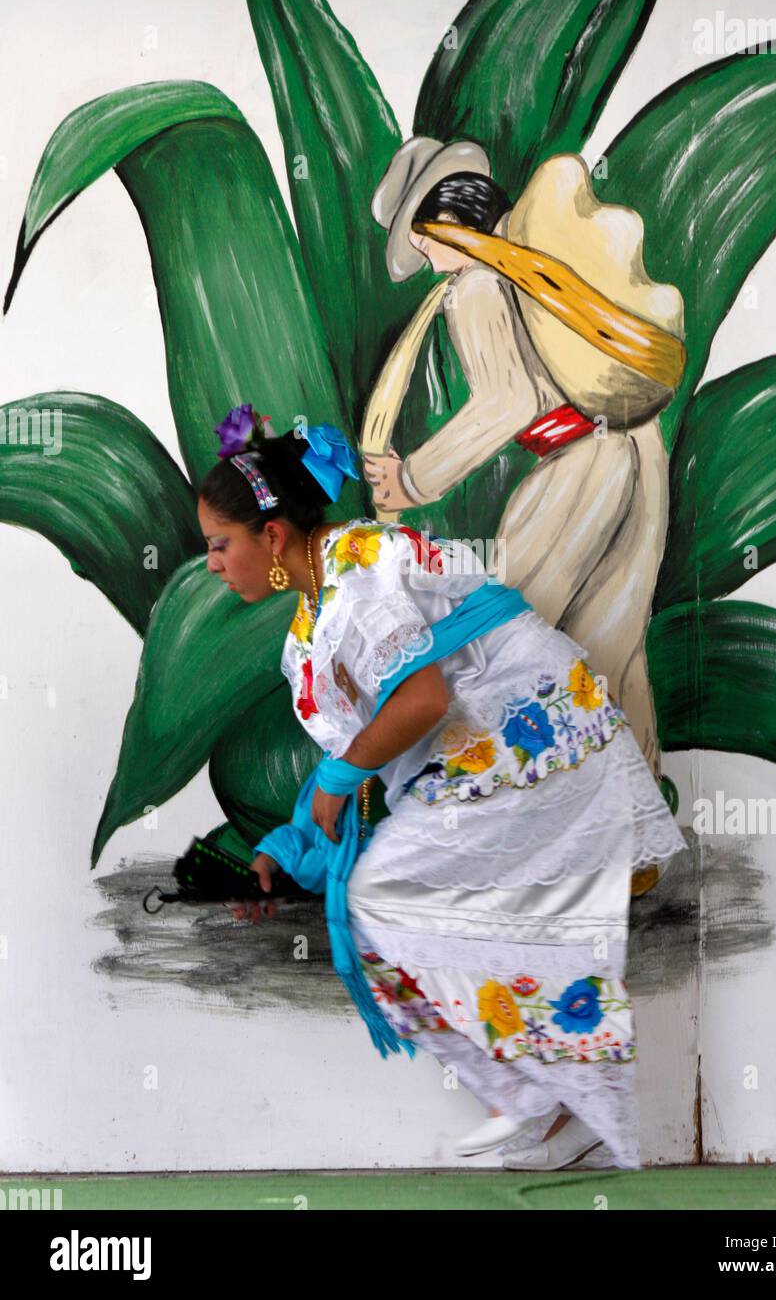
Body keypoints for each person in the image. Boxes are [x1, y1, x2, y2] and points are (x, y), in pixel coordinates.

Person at [197, 404, 688, 1171]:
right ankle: (545, 1097)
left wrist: (337, 778)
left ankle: (547, 1094)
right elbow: (356, 753)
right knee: (384, 907)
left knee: (381, 899)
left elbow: (420, 702)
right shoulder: (310, 627)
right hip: (478, 758)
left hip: (526, 733)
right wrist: (290, 843)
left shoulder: (361, 574)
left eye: (218, 544)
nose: (211, 563)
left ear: (271, 536)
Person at [363, 138, 684, 778]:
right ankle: (633, 836)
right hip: (634, 450)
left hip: (574, 469)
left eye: (425, 243)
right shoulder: (534, 267)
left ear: (446, 222)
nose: (429, 264)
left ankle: (489, 817)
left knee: (505, 640)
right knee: (611, 648)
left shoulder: (477, 286)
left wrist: (413, 480)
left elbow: (505, 403)